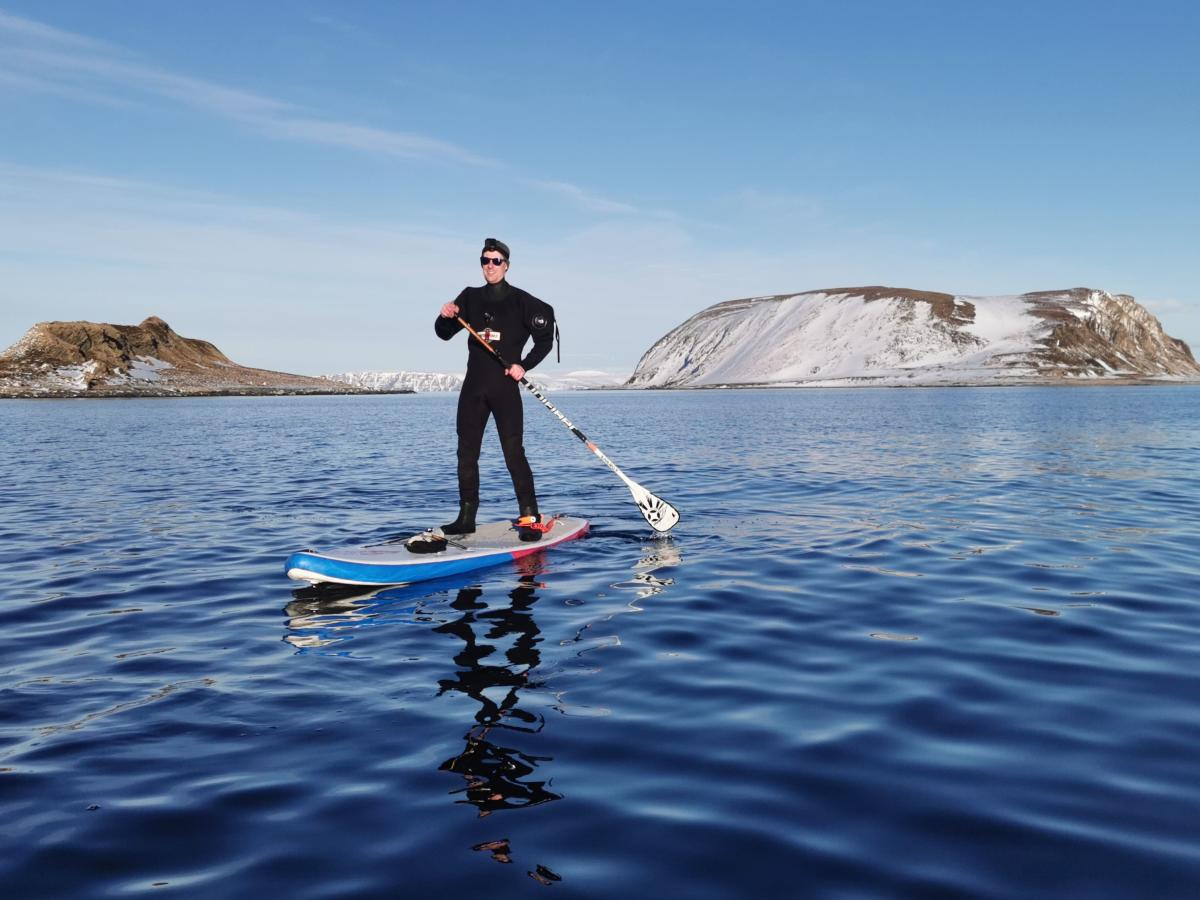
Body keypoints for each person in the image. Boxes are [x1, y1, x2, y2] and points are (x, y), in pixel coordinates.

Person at [436, 238, 556, 541]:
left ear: (506, 265)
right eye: (485, 260)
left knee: (513, 452)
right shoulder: (470, 297)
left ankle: (530, 517)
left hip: (505, 387)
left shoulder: (521, 301)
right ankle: (466, 518)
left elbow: (545, 337)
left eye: (496, 261)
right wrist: (445, 314)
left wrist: (523, 365)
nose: (490, 266)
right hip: (473, 387)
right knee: (466, 453)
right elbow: (443, 333)